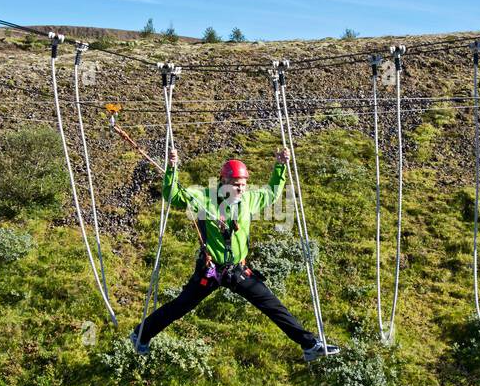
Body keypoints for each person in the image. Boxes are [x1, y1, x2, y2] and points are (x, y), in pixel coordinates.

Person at [130, 147, 340, 362]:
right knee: (181, 305)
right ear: (223, 182)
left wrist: (280, 166)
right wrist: (172, 168)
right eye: (236, 184)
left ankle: (309, 344)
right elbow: (172, 195)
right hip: (210, 270)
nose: (240, 188)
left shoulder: (249, 200)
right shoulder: (204, 198)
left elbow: (272, 192)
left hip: (237, 270)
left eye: (243, 184)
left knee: (272, 305)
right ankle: (141, 334)